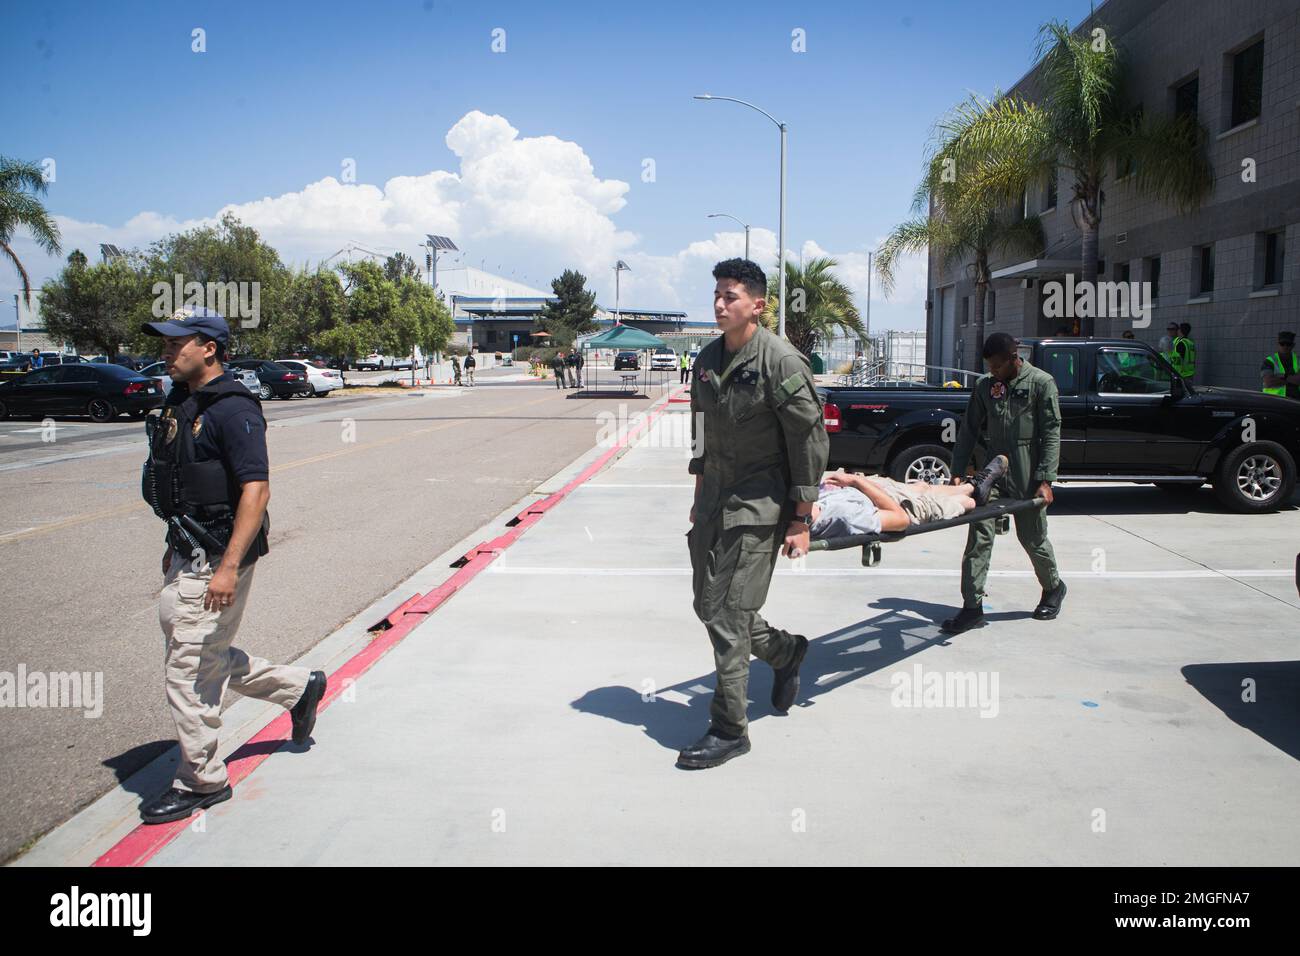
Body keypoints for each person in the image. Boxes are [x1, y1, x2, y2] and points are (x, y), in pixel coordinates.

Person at [137, 307, 326, 825]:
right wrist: (174, 543)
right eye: (166, 343)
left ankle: (202, 781)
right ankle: (297, 686)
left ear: (210, 348)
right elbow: (180, 485)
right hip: (189, 548)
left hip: (219, 555)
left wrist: (227, 566)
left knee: (189, 664)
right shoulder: (184, 401)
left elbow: (256, 489)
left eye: (178, 343)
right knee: (199, 649)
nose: (167, 352)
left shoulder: (233, 409)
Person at [680, 258, 828, 770]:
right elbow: (700, 431)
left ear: (758, 306)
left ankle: (729, 730)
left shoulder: (781, 363)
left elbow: (810, 440)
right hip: (715, 503)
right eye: (717, 295)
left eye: (731, 297)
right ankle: (787, 653)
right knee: (709, 605)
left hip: (760, 506)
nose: (720, 305)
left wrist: (801, 519)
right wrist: (700, 499)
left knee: (727, 616)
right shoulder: (706, 360)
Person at [943, 332, 1066, 634]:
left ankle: (1053, 588)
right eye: (990, 366)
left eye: (998, 366)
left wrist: (1046, 479)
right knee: (979, 537)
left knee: (1032, 538)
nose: (993, 372)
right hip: (993, 471)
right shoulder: (986, 386)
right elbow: (969, 429)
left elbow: (1051, 432)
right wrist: (958, 470)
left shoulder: (1041, 383)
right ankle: (972, 607)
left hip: (1027, 470)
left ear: (1014, 358)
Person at [812, 459, 1008, 538]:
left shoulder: (806, 503)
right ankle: (974, 489)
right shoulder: (842, 517)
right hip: (901, 506)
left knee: (921, 486)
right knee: (967, 502)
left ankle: (972, 487)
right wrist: (856, 481)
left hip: (870, 489)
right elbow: (899, 519)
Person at [1262, 330, 1300, 400]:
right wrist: (1291, 378)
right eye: (1282, 343)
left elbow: (1298, 380)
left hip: (1295, 402)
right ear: (1278, 344)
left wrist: (1281, 376)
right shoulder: (1269, 361)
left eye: (1288, 344)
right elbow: (1269, 382)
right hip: (1274, 402)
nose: (1285, 346)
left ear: (1293, 345)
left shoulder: (1298, 361)